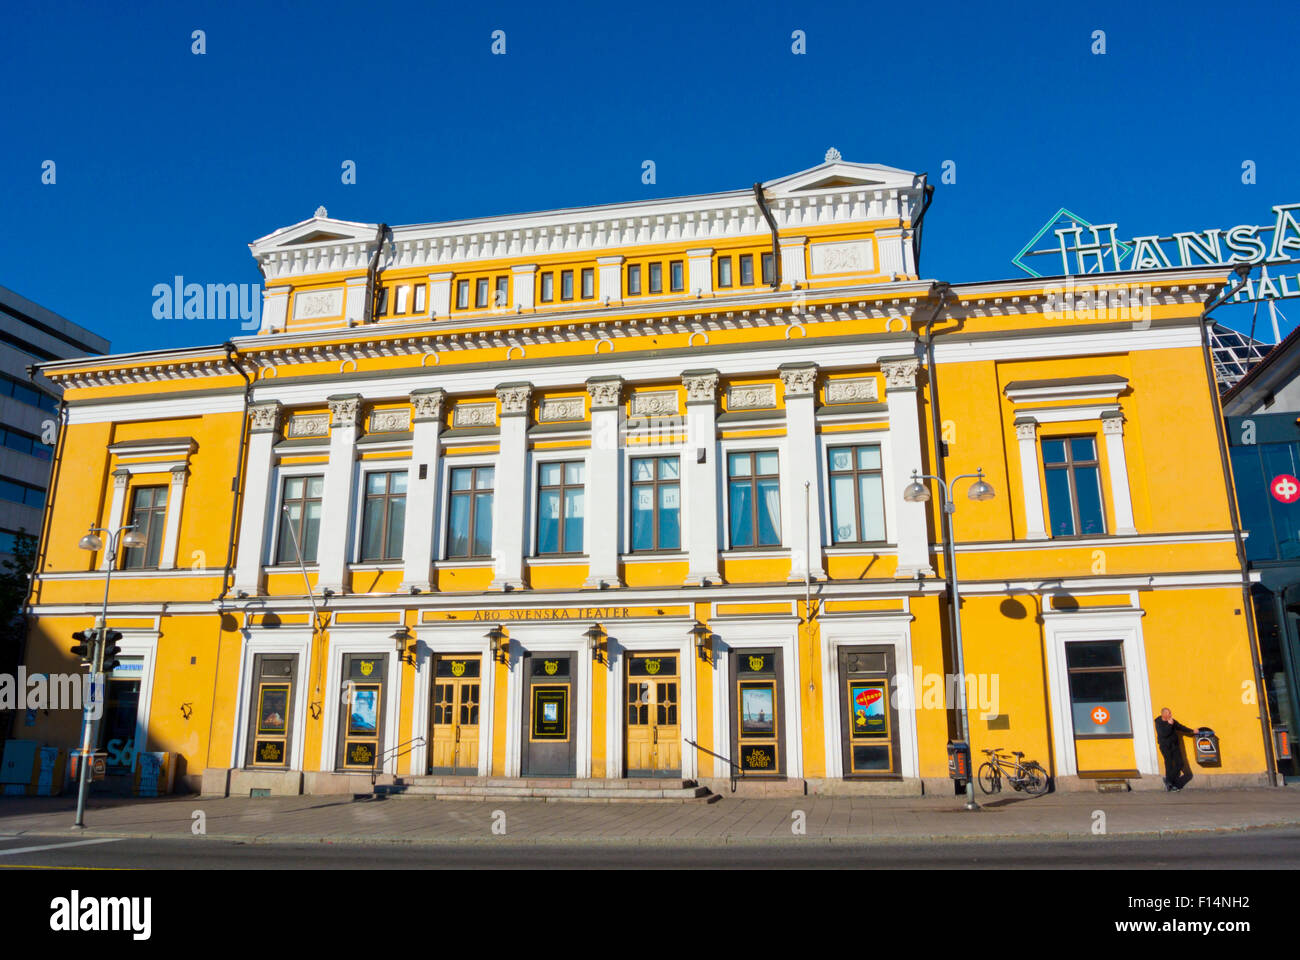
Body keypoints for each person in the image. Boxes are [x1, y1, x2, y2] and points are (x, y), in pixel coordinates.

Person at [1154, 707, 1194, 791]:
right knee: (1169, 764)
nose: (1170, 715)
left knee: (1180, 763)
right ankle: (1171, 785)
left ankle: (1169, 780)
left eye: (1170, 713)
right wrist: (1169, 725)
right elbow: (1164, 734)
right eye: (1169, 713)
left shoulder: (1172, 721)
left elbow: (1180, 727)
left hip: (1174, 746)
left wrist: (1192, 731)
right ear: (1163, 714)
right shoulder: (1158, 722)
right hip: (1165, 747)